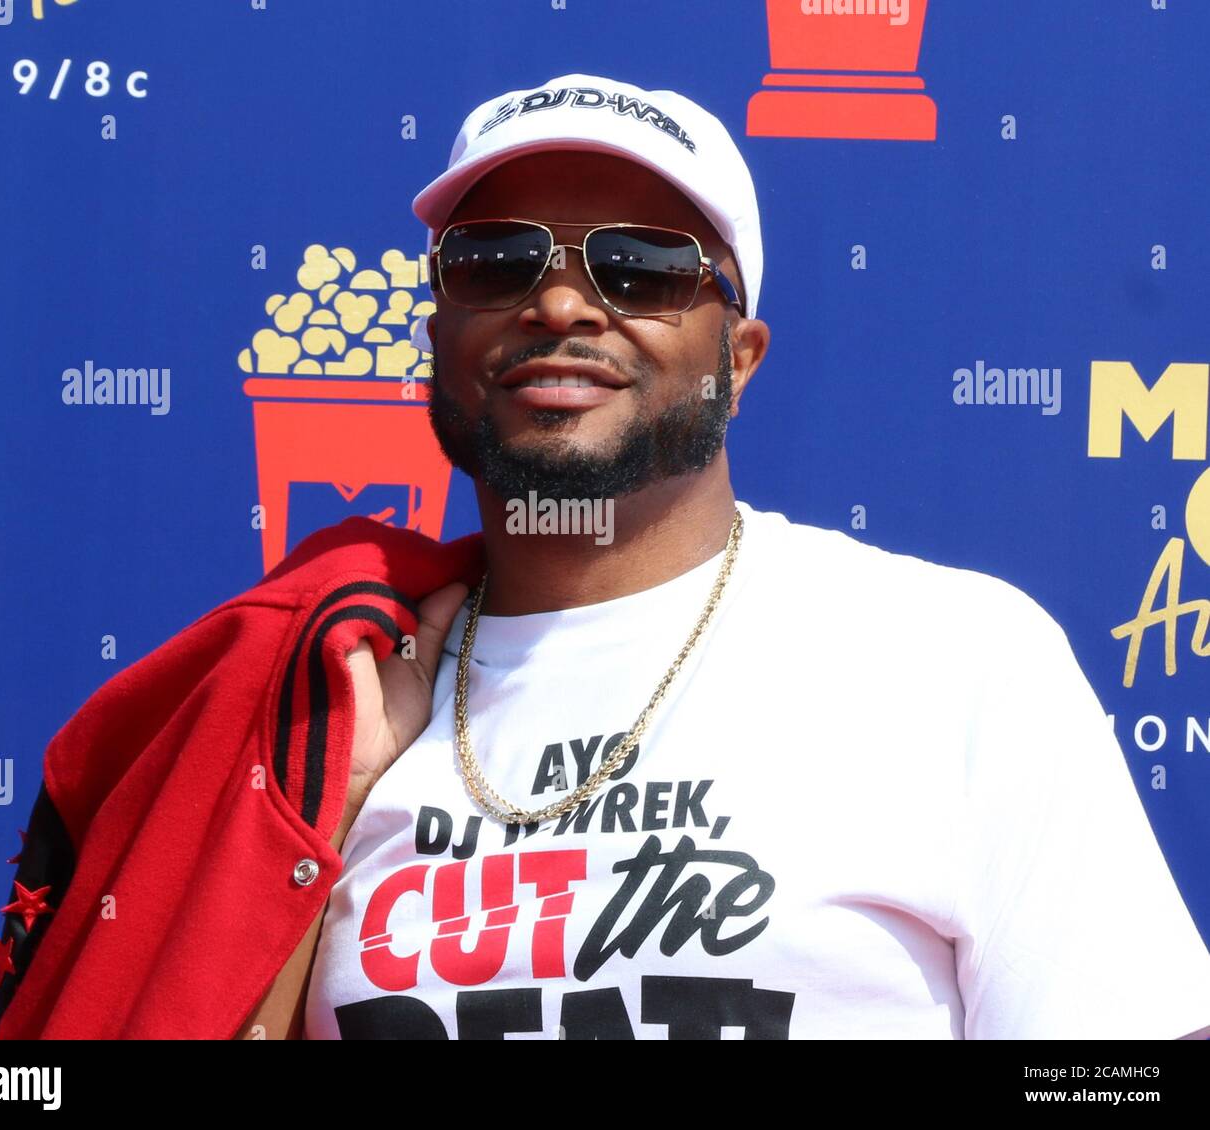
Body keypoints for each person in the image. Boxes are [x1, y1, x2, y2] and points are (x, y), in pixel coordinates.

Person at [237, 74, 1210, 1040]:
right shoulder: (328, 697)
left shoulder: (956, 658)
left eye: (642, 268)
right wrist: (324, 806)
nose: (562, 303)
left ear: (735, 359)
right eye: (495, 262)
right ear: (438, 332)